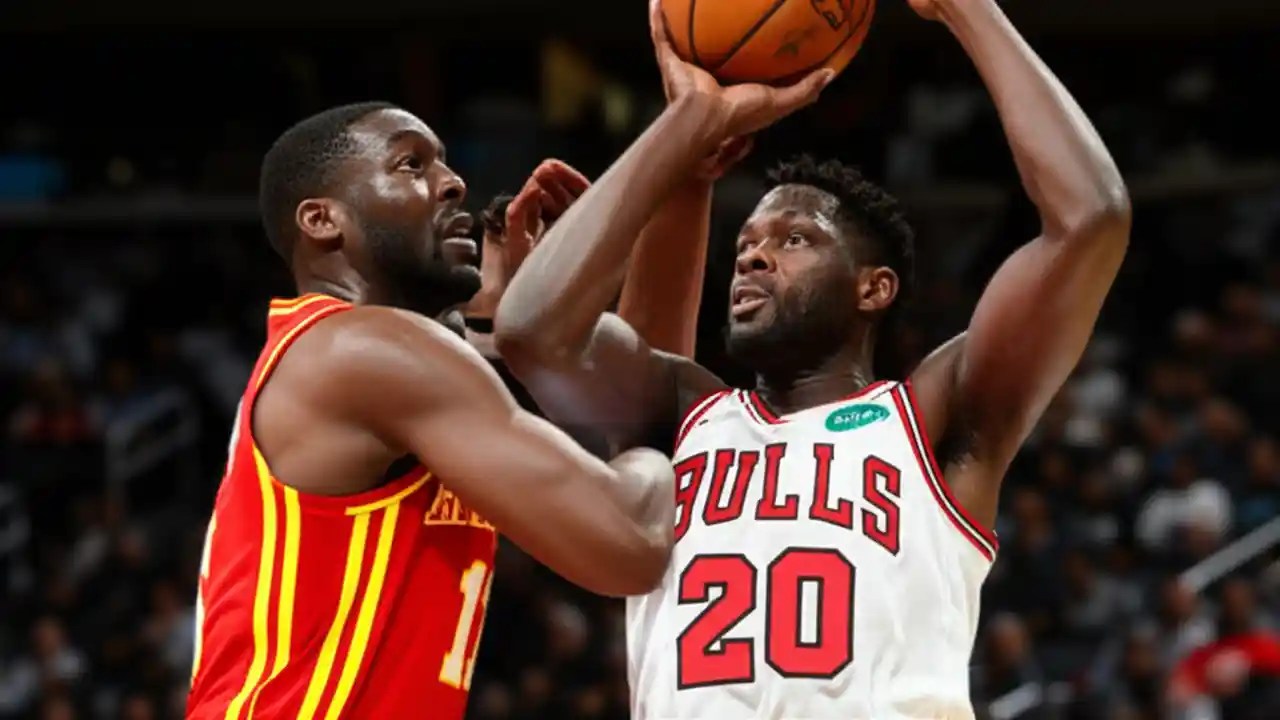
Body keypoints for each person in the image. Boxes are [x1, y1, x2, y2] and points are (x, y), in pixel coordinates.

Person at [494, 0, 1132, 715]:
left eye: (795, 239)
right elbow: (532, 333)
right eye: (746, 246)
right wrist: (684, 128)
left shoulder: (931, 420)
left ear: (873, 288)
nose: (756, 256)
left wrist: (968, 10)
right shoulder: (683, 416)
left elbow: (1090, 219)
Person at [185, 102, 679, 720]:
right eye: (410, 164)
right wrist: (683, 436)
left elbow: (641, 389)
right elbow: (631, 542)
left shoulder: (386, 370)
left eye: (443, 163)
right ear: (321, 220)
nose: (453, 182)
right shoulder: (361, 351)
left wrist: (683, 181)